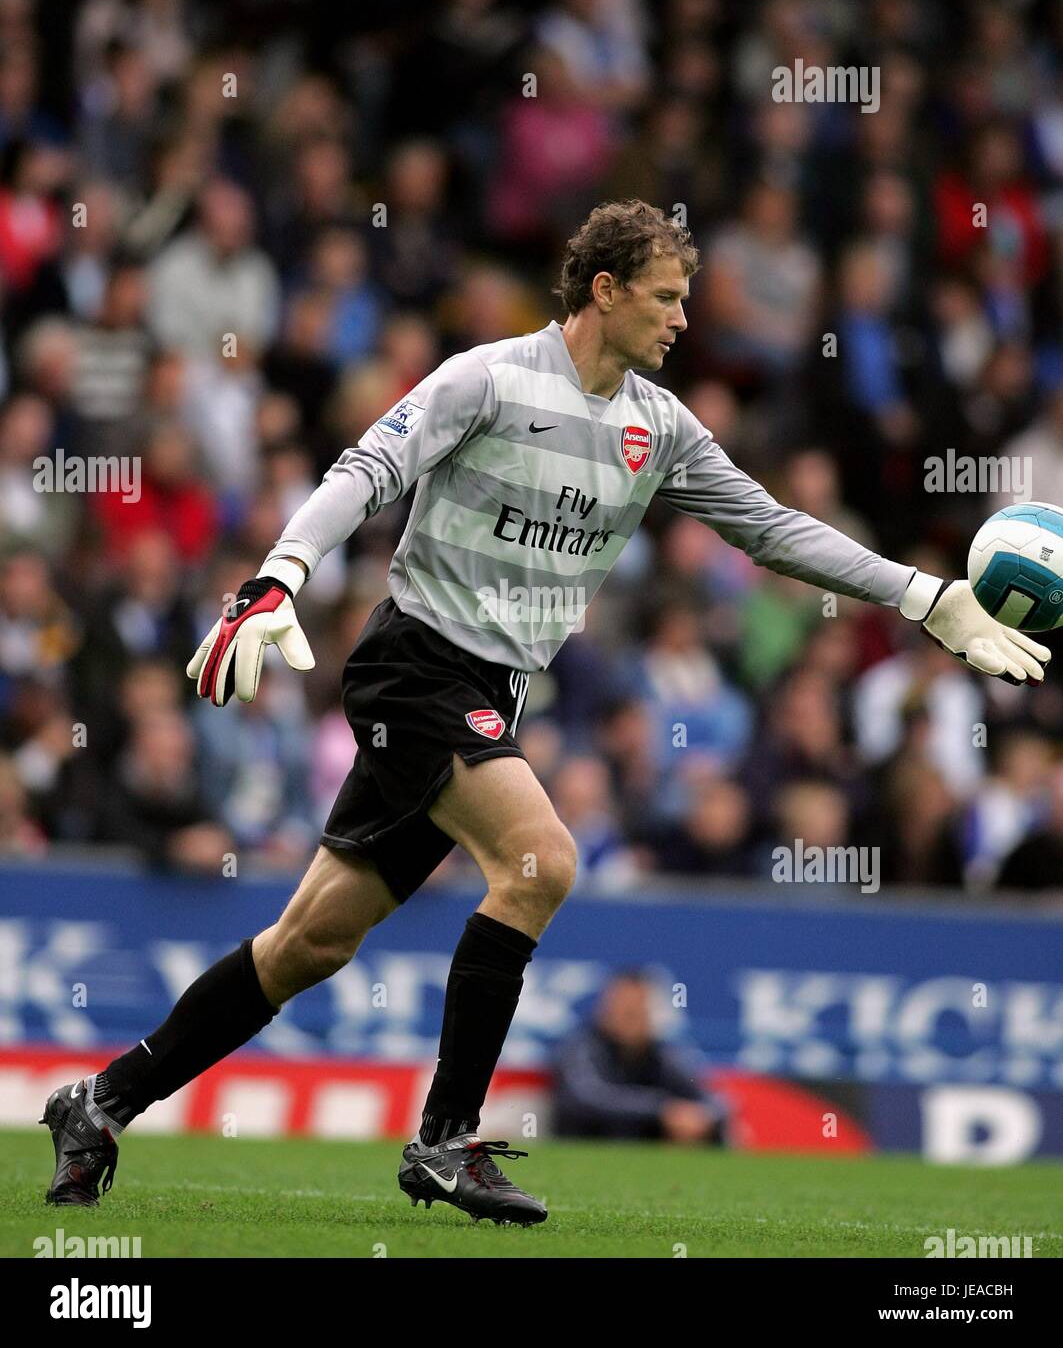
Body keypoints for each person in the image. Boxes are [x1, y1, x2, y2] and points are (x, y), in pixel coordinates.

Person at [41, 200, 1051, 1225]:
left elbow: (772, 528)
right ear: (602, 292)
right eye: (663, 298)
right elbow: (366, 468)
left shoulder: (657, 426)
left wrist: (928, 598)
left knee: (309, 942)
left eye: (685, 301)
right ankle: (443, 1140)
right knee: (542, 860)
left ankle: (102, 1100)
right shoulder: (487, 377)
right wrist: (278, 578)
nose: (680, 321)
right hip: (414, 666)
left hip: (485, 692)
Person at [553, 970, 730, 1143]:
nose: (626, 1016)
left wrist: (697, 1117)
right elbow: (587, 1098)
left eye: (636, 1011)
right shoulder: (580, 1046)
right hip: (585, 1151)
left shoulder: (663, 1055)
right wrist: (662, 1109)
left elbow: (714, 1101)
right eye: (621, 1008)